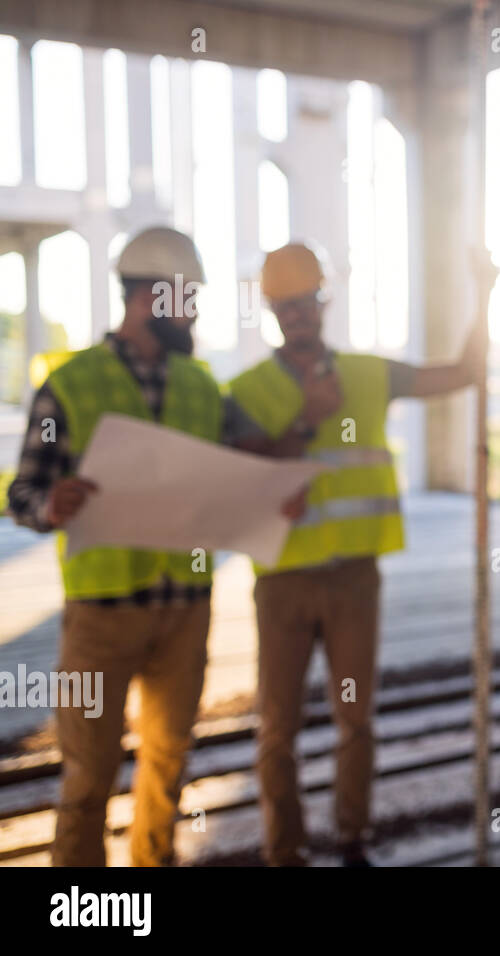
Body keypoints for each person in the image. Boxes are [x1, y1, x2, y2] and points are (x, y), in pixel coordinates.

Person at [226, 241, 486, 866]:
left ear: (323, 302)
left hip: (353, 582)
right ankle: (284, 851)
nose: (296, 315)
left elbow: (460, 373)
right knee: (278, 731)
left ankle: (351, 840)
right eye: (284, 306)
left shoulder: (370, 374)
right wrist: (306, 423)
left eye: (304, 302)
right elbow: (234, 472)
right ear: (271, 311)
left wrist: (486, 297)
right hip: (283, 582)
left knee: (354, 721)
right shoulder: (245, 392)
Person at [6, 226, 222, 866]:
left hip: (185, 606)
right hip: (102, 615)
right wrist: (52, 504)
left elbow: (237, 465)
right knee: (87, 775)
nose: (195, 310)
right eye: (188, 296)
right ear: (151, 297)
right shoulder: (69, 386)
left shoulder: (202, 387)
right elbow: (24, 492)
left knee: (168, 761)